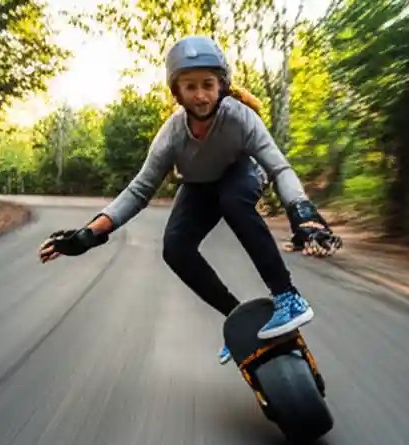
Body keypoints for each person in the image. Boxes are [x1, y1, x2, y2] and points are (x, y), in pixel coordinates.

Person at [38, 35, 341, 365]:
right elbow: (138, 191)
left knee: (232, 200)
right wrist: (88, 234)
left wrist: (303, 214)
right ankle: (239, 319)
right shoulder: (172, 134)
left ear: (221, 85)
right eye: (190, 86)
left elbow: (279, 168)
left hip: (241, 174)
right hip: (198, 186)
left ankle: (288, 297)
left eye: (208, 84)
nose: (200, 95)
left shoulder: (239, 117)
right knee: (175, 248)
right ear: (177, 92)